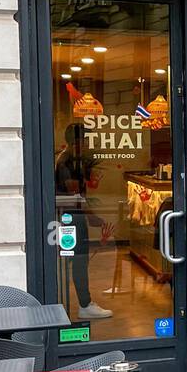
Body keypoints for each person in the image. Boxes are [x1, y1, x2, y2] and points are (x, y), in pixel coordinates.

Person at [54, 124, 112, 320]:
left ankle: (82, 303)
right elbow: (74, 195)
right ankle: (85, 304)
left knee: (78, 260)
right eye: (85, 140)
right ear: (76, 142)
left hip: (72, 216)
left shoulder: (73, 160)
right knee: (78, 260)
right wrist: (91, 216)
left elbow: (80, 191)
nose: (87, 144)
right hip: (71, 218)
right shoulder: (66, 162)